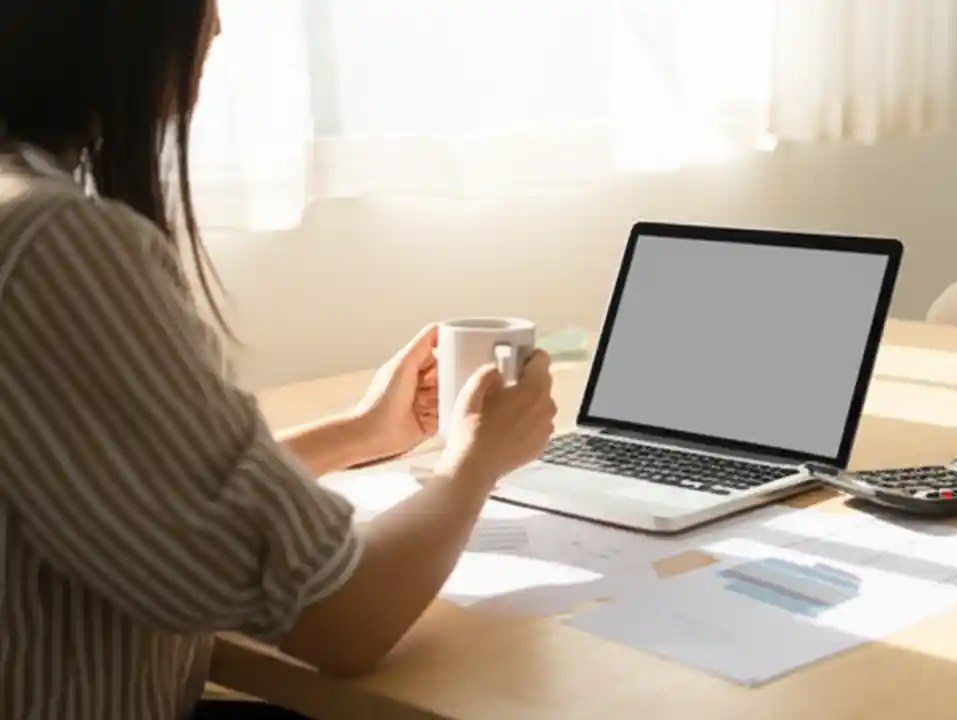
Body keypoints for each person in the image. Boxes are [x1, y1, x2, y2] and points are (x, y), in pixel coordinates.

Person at [0, 1, 558, 718]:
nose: (216, 27)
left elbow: (156, 493)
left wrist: (363, 431)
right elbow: (345, 619)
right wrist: (475, 462)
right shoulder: (57, 246)